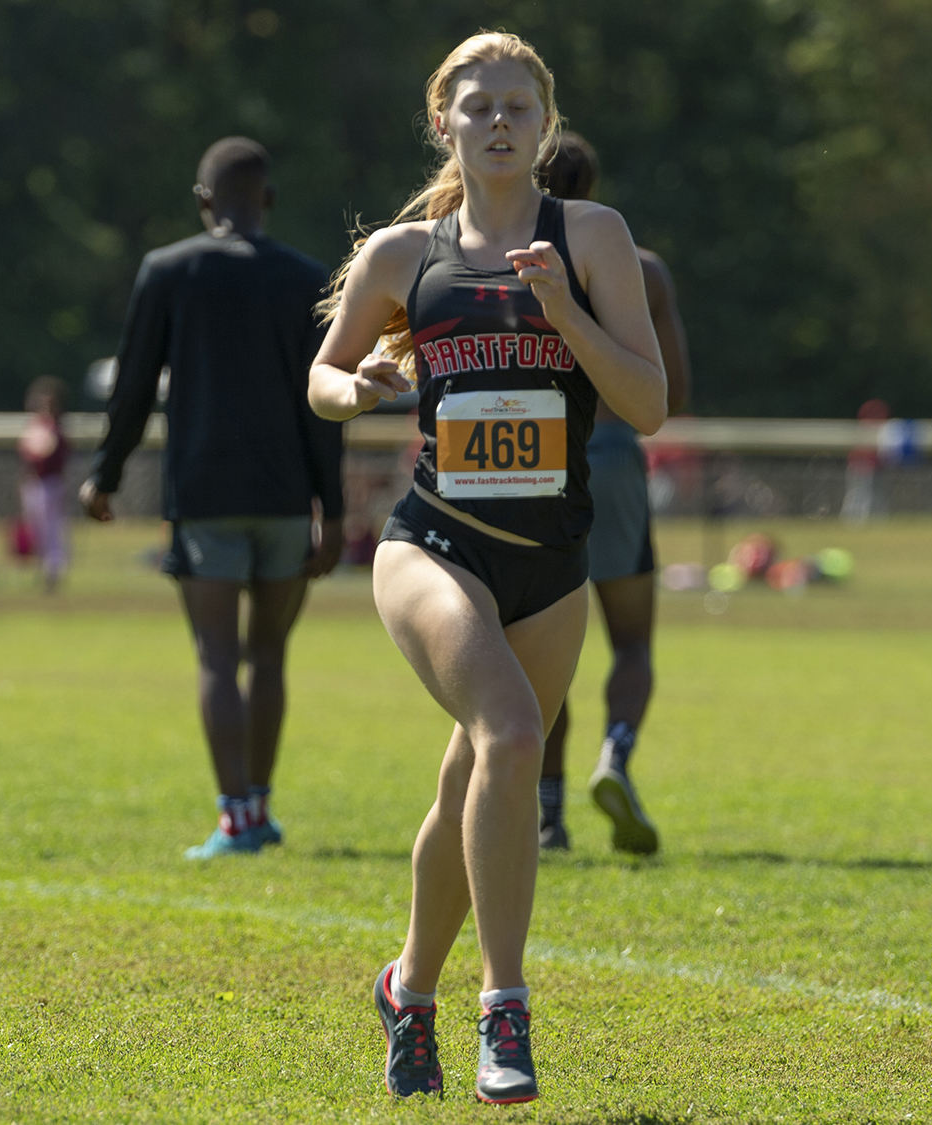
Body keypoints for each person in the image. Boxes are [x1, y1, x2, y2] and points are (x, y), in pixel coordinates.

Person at [307, 33, 666, 1105]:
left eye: (517, 105)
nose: (498, 121)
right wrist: (364, 383)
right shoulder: (402, 257)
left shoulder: (591, 236)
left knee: (477, 777)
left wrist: (564, 313)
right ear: (443, 124)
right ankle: (501, 1012)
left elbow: (646, 405)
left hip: (550, 560)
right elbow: (319, 380)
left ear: (544, 126)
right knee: (512, 734)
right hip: (432, 545)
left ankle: (405, 987)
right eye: (478, 107)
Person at [81, 136, 344, 860]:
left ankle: (235, 819)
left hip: (204, 497)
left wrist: (105, 474)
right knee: (270, 658)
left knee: (216, 658)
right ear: (268, 200)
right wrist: (337, 510)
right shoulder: (306, 278)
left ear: (203, 201)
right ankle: (259, 806)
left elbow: (133, 386)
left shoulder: (169, 270)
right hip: (288, 500)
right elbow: (324, 405)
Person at [533, 133, 692, 855]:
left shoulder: (507, 259)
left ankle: (546, 812)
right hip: (616, 465)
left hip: (534, 461)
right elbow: (672, 396)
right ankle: (616, 756)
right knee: (631, 642)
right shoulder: (641, 266)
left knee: (537, 645)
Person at [17, 377, 71, 593]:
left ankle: (54, 572)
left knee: (52, 529)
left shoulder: (57, 428)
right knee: (37, 529)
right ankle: (42, 570)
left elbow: (50, 452)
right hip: (34, 483)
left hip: (51, 483)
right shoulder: (35, 425)